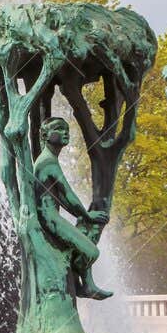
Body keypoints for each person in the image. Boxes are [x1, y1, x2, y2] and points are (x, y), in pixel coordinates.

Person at [32, 117, 112, 299]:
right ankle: (82, 284)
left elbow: (62, 198)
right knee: (91, 251)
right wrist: (87, 216)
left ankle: (85, 285)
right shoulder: (47, 162)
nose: (65, 132)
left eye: (66, 129)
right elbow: (68, 195)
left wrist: (84, 215)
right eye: (59, 129)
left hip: (51, 216)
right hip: (49, 218)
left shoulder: (49, 159)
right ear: (45, 135)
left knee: (83, 238)